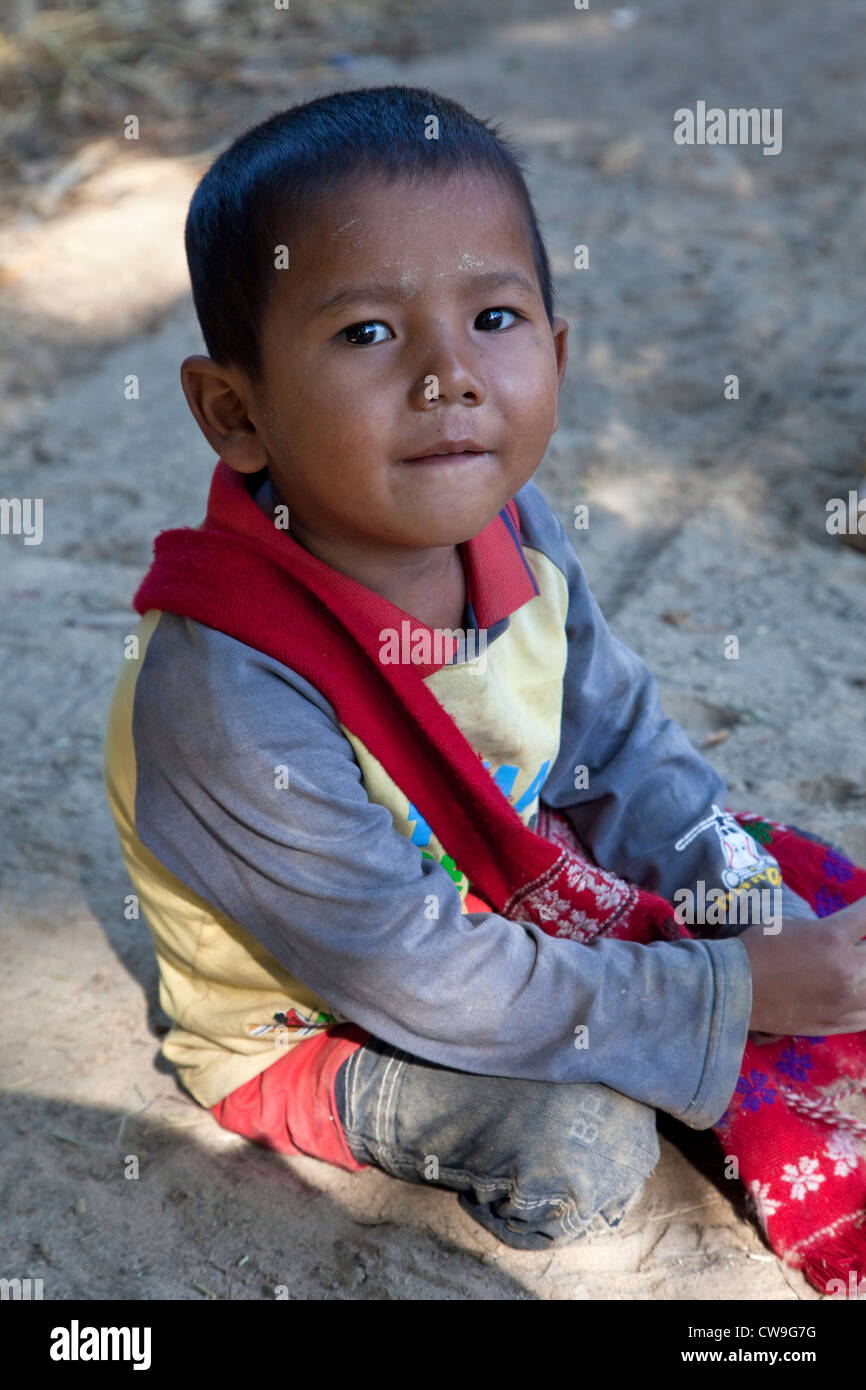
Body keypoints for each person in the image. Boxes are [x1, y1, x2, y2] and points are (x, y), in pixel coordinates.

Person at [103, 85, 866, 1253]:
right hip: (328, 1007)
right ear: (233, 411)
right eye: (367, 333)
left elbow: (614, 745)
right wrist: (732, 991)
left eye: (495, 320)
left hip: (492, 886)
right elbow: (409, 972)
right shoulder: (230, 686)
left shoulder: (510, 526)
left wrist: (737, 907)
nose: (446, 377)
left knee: (790, 900)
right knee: (583, 1140)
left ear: (554, 355)